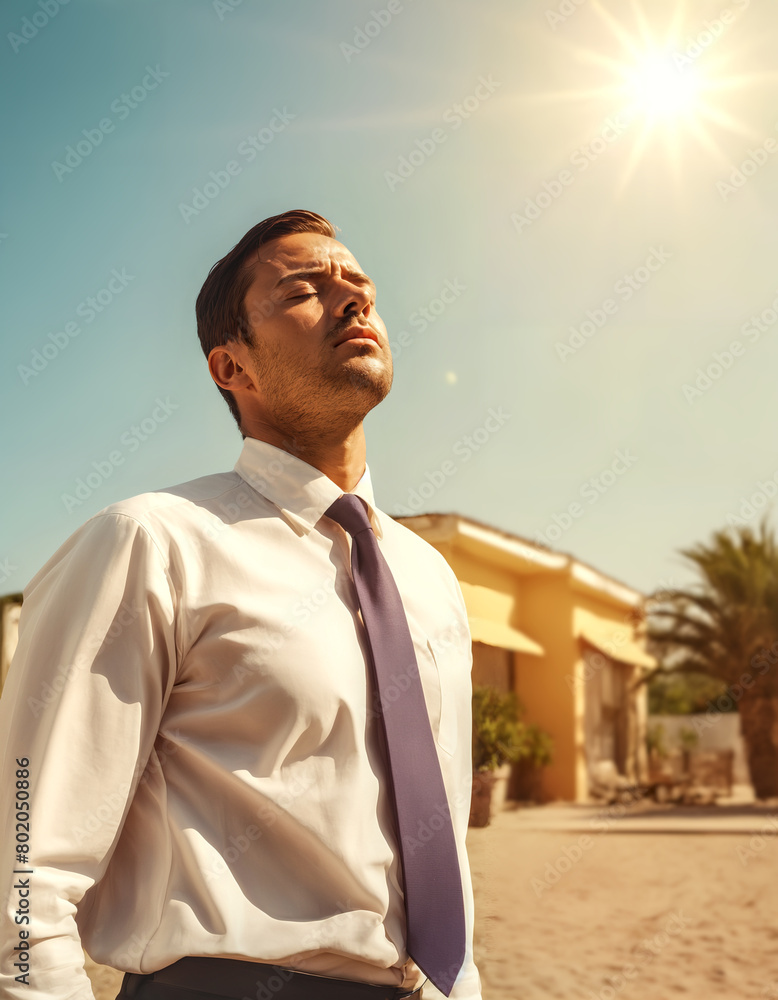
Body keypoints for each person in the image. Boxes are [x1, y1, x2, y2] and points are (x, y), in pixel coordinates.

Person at [0, 210, 482, 1000]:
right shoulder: (152, 542)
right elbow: (26, 862)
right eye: (304, 291)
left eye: (360, 284)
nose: (354, 300)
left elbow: (445, 833)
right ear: (233, 366)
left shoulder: (428, 578)